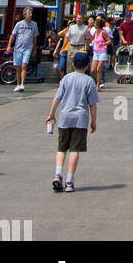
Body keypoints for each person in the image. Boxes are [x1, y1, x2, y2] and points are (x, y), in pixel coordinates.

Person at [46, 51, 98, 192]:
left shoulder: (66, 79)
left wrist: (51, 115)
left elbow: (57, 98)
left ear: (73, 64)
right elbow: (92, 104)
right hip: (80, 119)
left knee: (61, 148)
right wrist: (94, 121)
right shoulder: (89, 81)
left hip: (64, 118)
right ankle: (69, 180)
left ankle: (58, 174)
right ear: (87, 66)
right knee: (75, 150)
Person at [6, 7, 40, 91]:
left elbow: (35, 37)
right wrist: (9, 45)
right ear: (24, 15)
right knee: (18, 67)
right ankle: (17, 84)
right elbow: (13, 35)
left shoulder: (34, 24)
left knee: (24, 65)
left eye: (31, 13)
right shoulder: (19, 24)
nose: (30, 15)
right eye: (29, 13)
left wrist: (34, 49)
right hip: (18, 48)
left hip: (28, 48)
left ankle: (22, 84)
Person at [90, 14, 112, 90]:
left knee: (98, 69)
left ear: (98, 25)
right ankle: (98, 81)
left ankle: (98, 85)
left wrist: (103, 43)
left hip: (102, 52)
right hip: (96, 52)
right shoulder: (95, 32)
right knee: (93, 70)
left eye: (95, 24)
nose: (94, 25)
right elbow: (90, 39)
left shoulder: (103, 32)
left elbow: (109, 41)